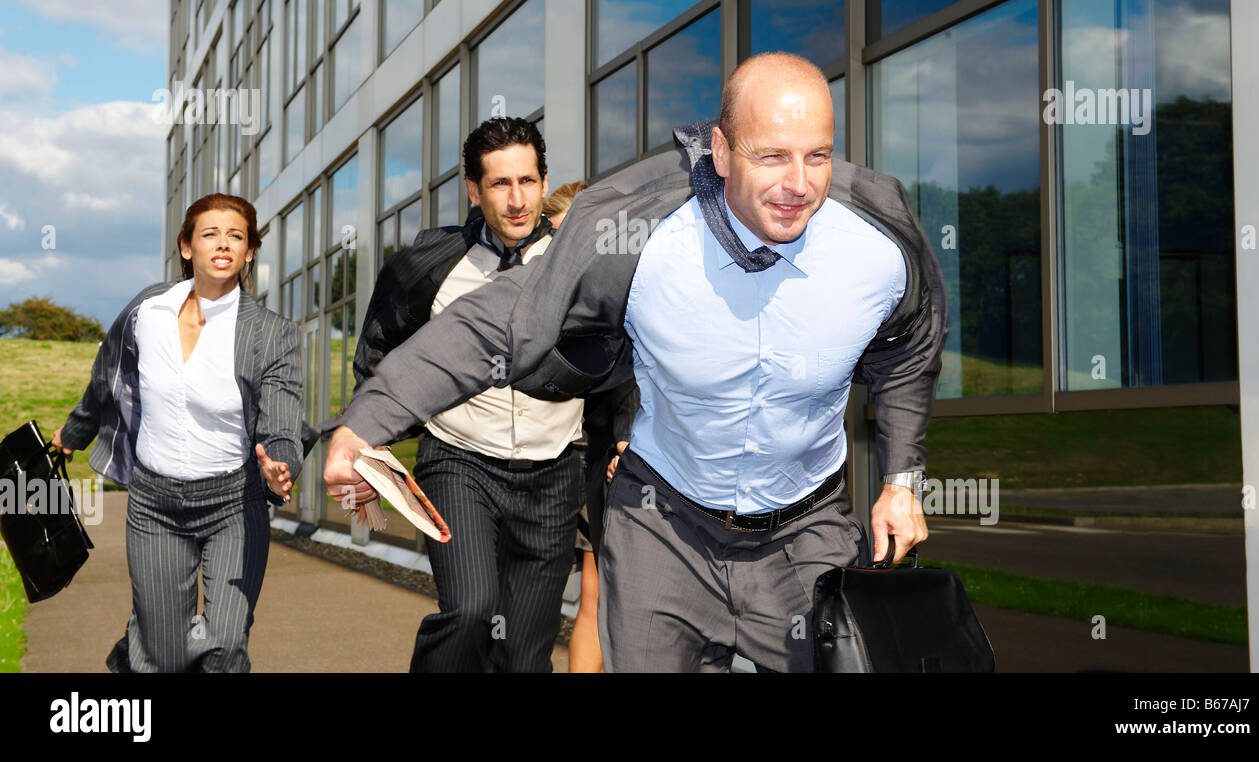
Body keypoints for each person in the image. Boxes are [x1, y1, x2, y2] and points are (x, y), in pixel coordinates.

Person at [324, 52, 947, 672]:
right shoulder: (639, 240)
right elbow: (502, 323)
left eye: (817, 155)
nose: (799, 184)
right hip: (664, 533)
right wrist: (366, 422)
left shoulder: (877, 251)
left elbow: (910, 352)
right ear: (723, 151)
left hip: (804, 535)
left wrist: (901, 481)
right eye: (772, 156)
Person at [336, 118, 586, 673]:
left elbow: (623, 357)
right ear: (474, 190)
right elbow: (379, 355)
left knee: (523, 658)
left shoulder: (578, 266)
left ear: (545, 182)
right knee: (472, 609)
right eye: (500, 184)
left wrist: (619, 439)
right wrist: (367, 452)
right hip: (459, 464)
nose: (517, 200)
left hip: (552, 474)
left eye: (527, 181)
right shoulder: (432, 265)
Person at [54, 193, 304, 673]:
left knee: (226, 643)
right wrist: (73, 432)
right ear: (187, 247)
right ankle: (145, 646)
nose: (224, 244)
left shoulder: (273, 334)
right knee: (165, 654)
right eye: (210, 233)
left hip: (235, 503)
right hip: (154, 506)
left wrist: (280, 464)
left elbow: (281, 421)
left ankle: (146, 643)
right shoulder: (148, 310)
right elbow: (106, 379)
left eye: (237, 235)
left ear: (250, 251)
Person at [540, 181, 639, 674]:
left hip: (605, 457)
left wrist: (627, 438)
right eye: (557, 234)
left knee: (610, 598)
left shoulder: (618, 291)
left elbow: (633, 379)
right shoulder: (540, 292)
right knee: (586, 599)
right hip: (553, 461)